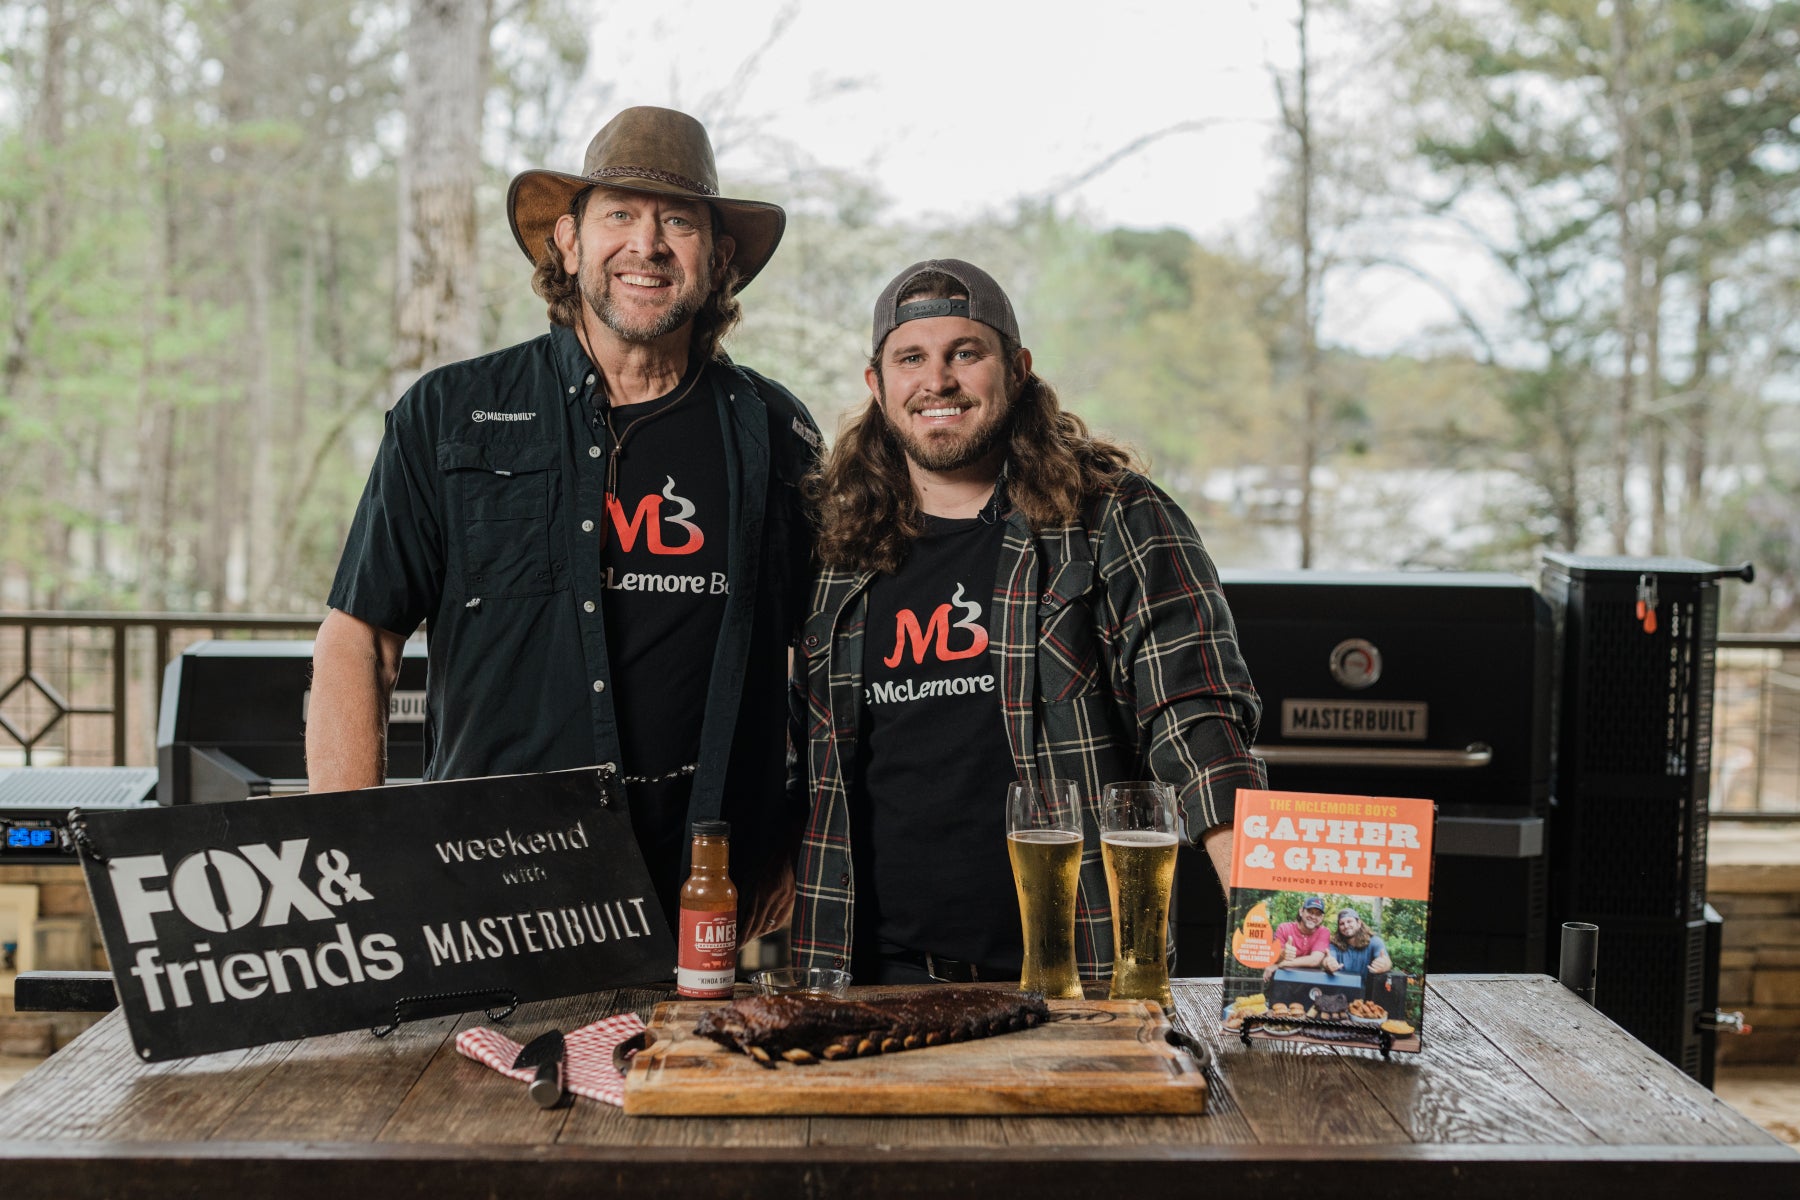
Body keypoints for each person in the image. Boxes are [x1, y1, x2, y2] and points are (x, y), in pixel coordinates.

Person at [307, 106, 820, 934]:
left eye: (677, 222)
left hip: (707, 892)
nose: (646, 246)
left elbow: (831, 655)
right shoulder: (449, 413)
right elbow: (359, 638)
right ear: (570, 243)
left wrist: (800, 840)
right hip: (486, 886)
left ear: (717, 259)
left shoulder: (773, 429)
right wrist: (345, 857)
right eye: (619, 214)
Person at [788, 258, 1265, 984]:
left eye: (965, 354)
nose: (937, 381)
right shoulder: (833, 545)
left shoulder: (1116, 517)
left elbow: (1195, 718)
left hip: (1076, 976)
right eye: (911, 357)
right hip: (868, 974)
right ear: (877, 384)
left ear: (1017, 368)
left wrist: (1277, 916)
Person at [1266, 895, 1334, 979]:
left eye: (1318, 914)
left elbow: (1314, 960)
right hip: (1285, 979)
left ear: (1321, 918)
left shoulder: (1324, 932)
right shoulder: (1284, 928)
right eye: (1310, 911)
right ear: (1301, 911)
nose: (1313, 917)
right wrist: (1283, 954)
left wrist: (1281, 964)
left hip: (1311, 981)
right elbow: (1275, 956)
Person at [1330, 908, 1392, 977]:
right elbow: (1330, 957)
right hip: (1341, 986)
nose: (1346, 926)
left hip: (1367, 987)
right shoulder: (1334, 944)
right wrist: (1329, 963)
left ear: (1358, 923)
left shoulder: (1375, 942)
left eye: (1349, 921)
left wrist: (1384, 965)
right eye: (1342, 924)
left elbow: (1386, 961)